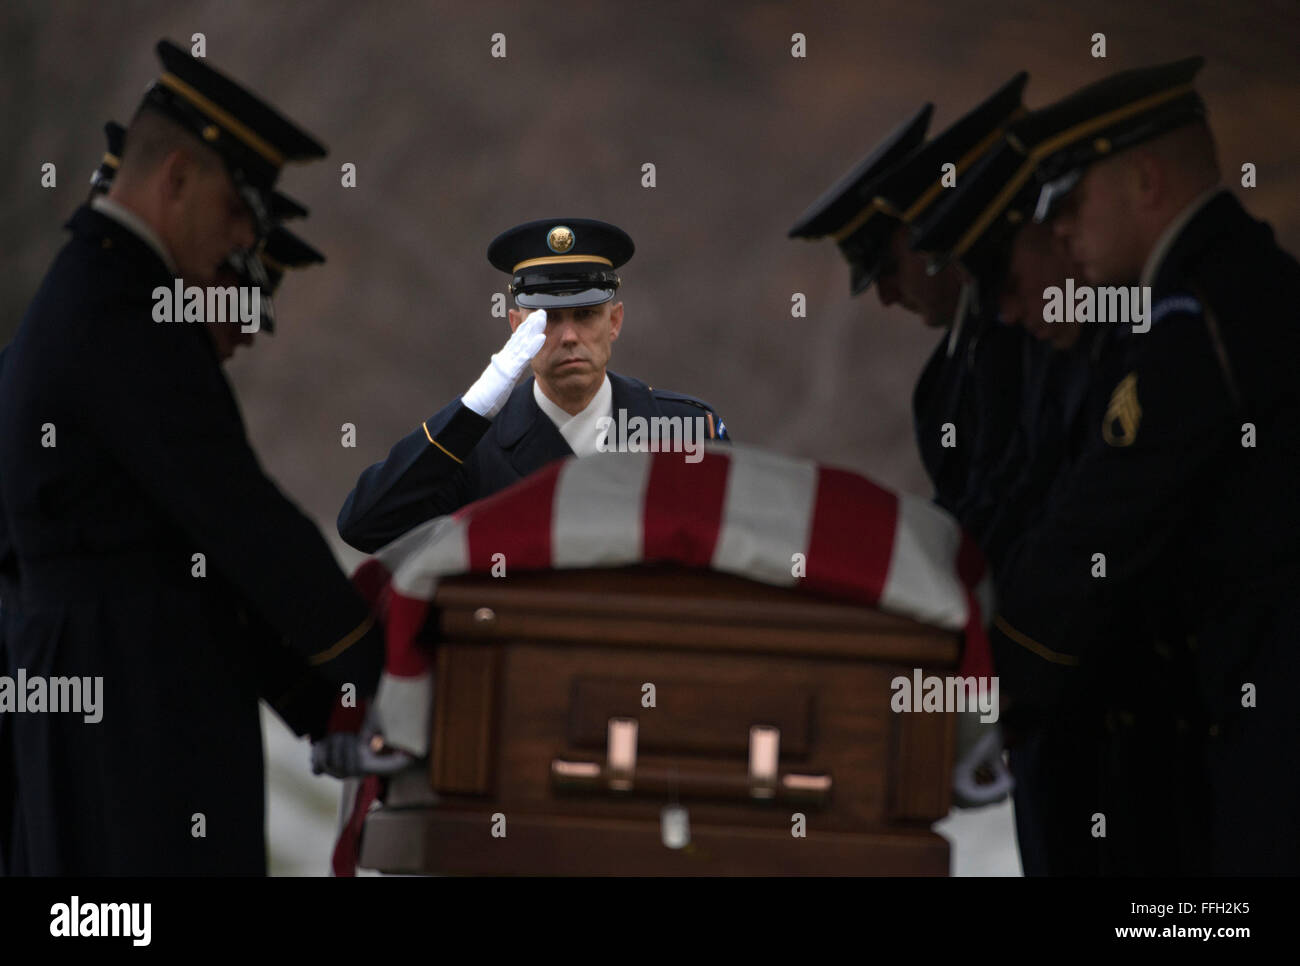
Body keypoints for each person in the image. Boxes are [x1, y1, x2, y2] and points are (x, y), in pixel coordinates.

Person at [0, 39, 384, 875]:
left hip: (118, 703)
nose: (243, 236)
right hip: (124, 721)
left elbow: (206, 562)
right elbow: (239, 519)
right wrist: (374, 672)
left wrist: (331, 703)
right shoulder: (123, 309)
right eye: (238, 213)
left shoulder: (107, 293)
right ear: (175, 180)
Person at [991, 56, 1300, 874]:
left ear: (1147, 182)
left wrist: (982, 682)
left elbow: (1102, 522)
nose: (1058, 231)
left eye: (1072, 201)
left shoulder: (1191, 324)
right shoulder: (1242, 285)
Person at [337, 218, 729, 553]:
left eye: (586, 314)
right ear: (516, 327)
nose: (570, 335)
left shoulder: (685, 428)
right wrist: (472, 411)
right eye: (550, 319)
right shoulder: (472, 447)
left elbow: (734, 551)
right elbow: (364, 526)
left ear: (614, 322)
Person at [788, 79, 1027, 525]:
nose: (887, 298)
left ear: (928, 237)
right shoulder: (952, 367)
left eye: (889, 270)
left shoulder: (1019, 337)